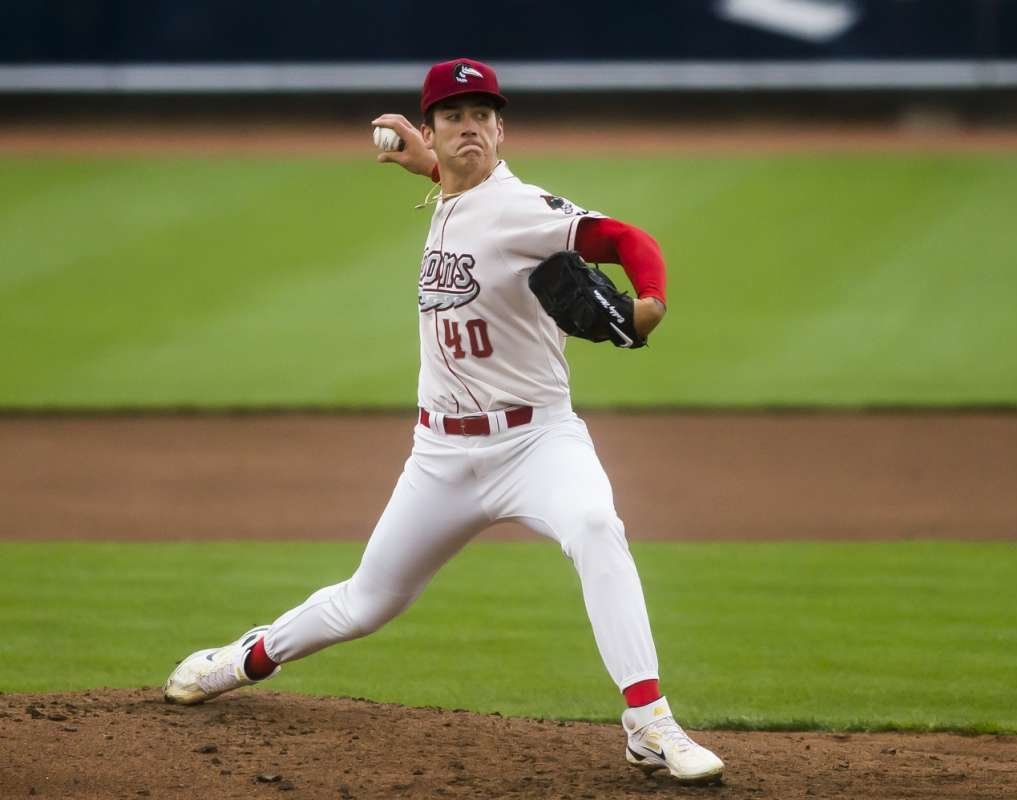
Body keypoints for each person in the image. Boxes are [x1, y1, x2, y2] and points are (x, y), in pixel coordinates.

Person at [164, 57, 724, 784]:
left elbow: (627, 240)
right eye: (455, 115)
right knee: (365, 602)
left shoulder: (523, 207)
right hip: (440, 457)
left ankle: (650, 725)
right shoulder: (454, 194)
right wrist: (428, 168)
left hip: (537, 441)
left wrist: (649, 302)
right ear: (432, 129)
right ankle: (243, 659)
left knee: (596, 528)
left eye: (484, 115)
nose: (473, 126)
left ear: (502, 129)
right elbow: (462, 192)